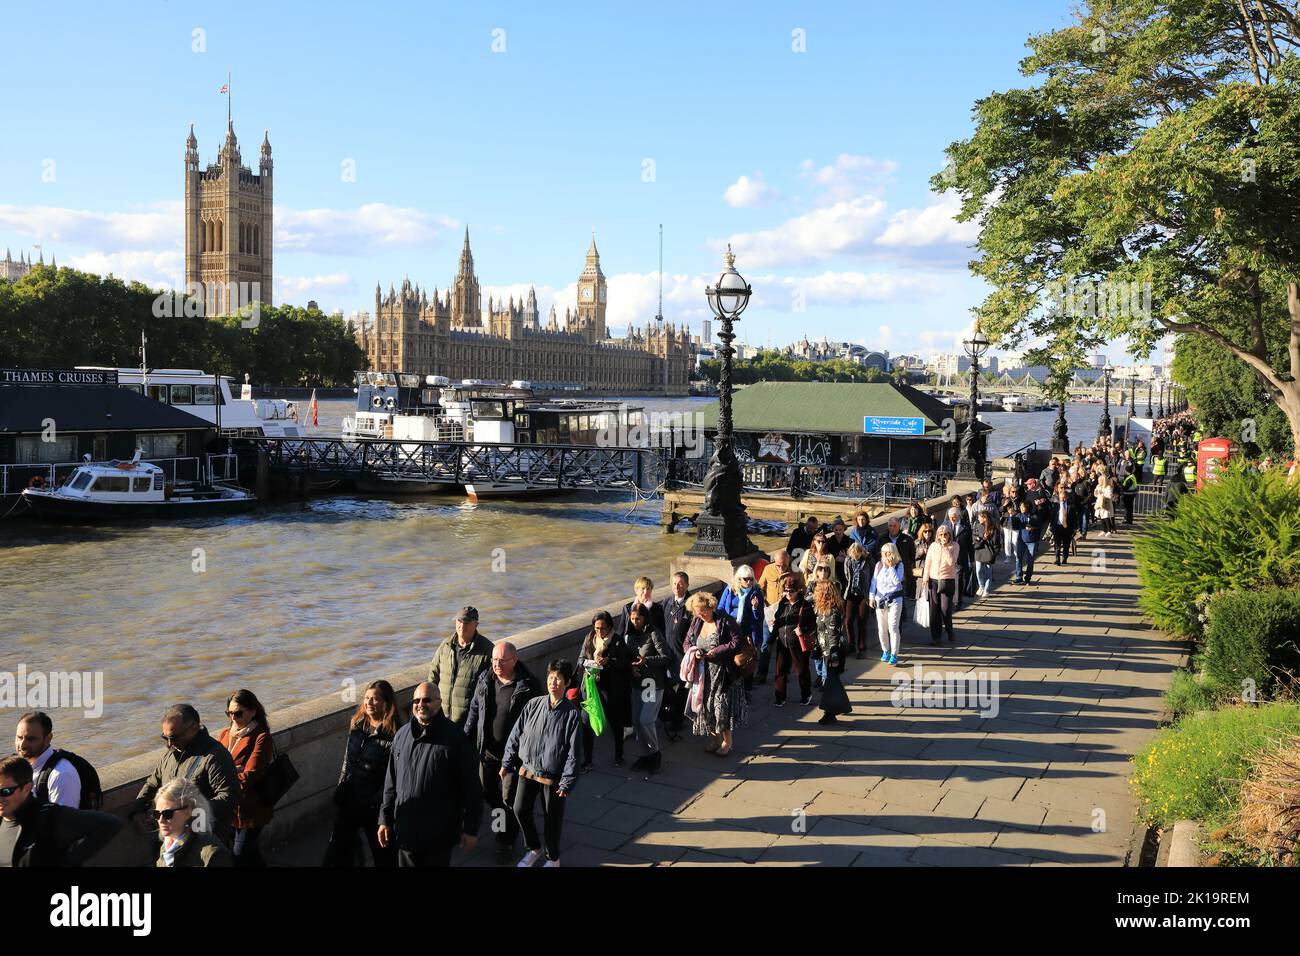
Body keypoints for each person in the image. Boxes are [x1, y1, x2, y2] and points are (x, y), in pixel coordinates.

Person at [378, 682, 483, 867]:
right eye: (416, 700)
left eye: (426, 700)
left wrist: (471, 829)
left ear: (439, 702)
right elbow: (390, 783)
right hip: (405, 830)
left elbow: (472, 788)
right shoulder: (401, 736)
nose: (420, 704)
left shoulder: (455, 738)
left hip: (438, 834)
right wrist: (384, 819)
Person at [462, 642, 541, 864]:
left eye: (502, 660)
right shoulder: (485, 679)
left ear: (514, 660)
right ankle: (504, 829)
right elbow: (475, 710)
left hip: (514, 758)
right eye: (494, 659)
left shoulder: (528, 685)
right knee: (489, 794)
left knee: (508, 799)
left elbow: (538, 721)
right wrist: (465, 737)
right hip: (487, 753)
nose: (496, 664)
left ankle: (505, 841)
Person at [502, 659, 584, 868]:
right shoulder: (533, 704)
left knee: (552, 820)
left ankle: (553, 858)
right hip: (527, 770)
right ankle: (534, 848)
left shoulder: (571, 715)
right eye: (550, 678)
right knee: (519, 809)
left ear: (566, 683)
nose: (553, 683)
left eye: (558, 679)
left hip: (552, 776)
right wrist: (507, 760)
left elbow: (574, 753)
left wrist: (567, 782)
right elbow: (516, 734)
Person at [132, 704, 241, 842]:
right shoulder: (170, 754)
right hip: (172, 838)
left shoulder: (214, 756)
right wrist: (138, 809)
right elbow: (153, 782)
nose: (170, 744)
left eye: (175, 737)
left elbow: (230, 795)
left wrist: (190, 812)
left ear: (194, 728)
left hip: (204, 839)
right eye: (165, 738)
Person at [325, 679, 400, 867]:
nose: (368, 703)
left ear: (386, 703)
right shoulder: (358, 725)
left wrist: (378, 805)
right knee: (336, 852)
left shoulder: (395, 735)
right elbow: (347, 761)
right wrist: (341, 787)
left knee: (383, 856)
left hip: (374, 808)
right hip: (350, 800)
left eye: (375, 699)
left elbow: (393, 777)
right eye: (366, 698)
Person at [0, 755, 121, 867]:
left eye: (5, 792)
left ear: (27, 789)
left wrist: (67, 862)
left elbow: (110, 824)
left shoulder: (49, 817)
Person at [682, 591, 746, 757]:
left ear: (710, 606)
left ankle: (727, 741)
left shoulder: (724, 620)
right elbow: (687, 642)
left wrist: (717, 651)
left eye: (702, 610)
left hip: (722, 672)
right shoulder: (696, 622)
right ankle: (714, 738)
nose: (700, 614)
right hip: (703, 673)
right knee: (706, 706)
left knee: (721, 706)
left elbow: (737, 641)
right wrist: (693, 651)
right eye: (696, 611)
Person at [217, 689, 274, 867]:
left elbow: (251, 774)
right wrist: (234, 770)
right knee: (248, 853)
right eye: (229, 713)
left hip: (250, 808)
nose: (233, 718)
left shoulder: (261, 737)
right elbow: (212, 767)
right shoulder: (225, 734)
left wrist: (226, 773)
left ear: (253, 711)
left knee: (240, 855)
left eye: (238, 713)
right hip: (228, 808)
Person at [576, 610, 633, 768]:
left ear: (609, 627)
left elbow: (624, 664)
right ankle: (588, 760)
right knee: (586, 722)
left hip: (611, 689)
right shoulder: (589, 638)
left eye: (602, 628)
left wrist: (608, 661)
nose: (599, 632)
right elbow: (580, 660)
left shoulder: (617, 641)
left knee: (615, 722)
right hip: (592, 687)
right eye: (596, 628)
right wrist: (588, 663)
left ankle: (619, 755)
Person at [428, 606, 495, 728]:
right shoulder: (446, 645)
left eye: (467, 623)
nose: (462, 626)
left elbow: (490, 687)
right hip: (441, 718)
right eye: (459, 621)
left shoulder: (487, 650)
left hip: (468, 723)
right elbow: (433, 674)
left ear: (476, 624)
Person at [626, 602, 671, 773]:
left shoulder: (653, 633)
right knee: (637, 722)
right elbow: (627, 657)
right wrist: (632, 667)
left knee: (646, 720)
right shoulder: (629, 636)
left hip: (652, 683)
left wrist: (646, 661)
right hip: (637, 683)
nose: (635, 621)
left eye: (638, 618)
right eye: (632, 618)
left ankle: (655, 753)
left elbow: (666, 656)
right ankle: (645, 755)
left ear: (645, 618)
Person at [154, 779, 233, 867]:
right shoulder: (167, 845)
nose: (161, 820)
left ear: (188, 812)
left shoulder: (213, 854)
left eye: (167, 814)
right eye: (157, 814)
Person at [15, 712, 82, 808]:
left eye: (31, 739)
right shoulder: (18, 768)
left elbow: (64, 821)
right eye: (19, 737)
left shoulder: (61, 775)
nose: (22, 745)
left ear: (48, 738)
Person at [718, 565, 766, 693]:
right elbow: (721, 608)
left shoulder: (756, 592)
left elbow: (759, 618)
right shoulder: (730, 590)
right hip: (731, 628)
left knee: (746, 659)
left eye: (751, 579)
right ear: (739, 579)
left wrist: (755, 608)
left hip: (747, 630)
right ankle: (733, 686)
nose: (749, 582)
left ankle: (747, 689)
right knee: (731, 658)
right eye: (746, 579)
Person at [771, 575, 815, 707]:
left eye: (791, 591)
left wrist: (803, 630)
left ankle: (806, 694)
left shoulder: (805, 605)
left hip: (797, 643)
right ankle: (780, 697)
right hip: (782, 642)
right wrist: (771, 639)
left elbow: (813, 624)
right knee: (780, 671)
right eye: (785, 590)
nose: (788, 594)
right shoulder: (782, 603)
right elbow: (778, 621)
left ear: (798, 590)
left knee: (801, 670)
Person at [757, 551, 800, 684]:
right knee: (766, 644)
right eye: (778, 565)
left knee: (785, 644)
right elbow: (760, 587)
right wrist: (762, 600)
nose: (781, 568)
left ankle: (783, 673)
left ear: (789, 561)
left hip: (786, 614)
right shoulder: (768, 569)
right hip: (770, 613)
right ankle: (761, 674)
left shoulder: (796, 572)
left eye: (784, 566)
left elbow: (801, 590)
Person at [659, 571, 692, 741]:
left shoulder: (691, 604)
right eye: (674, 584)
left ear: (687, 585)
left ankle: (678, 720)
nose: (676, 587)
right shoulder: (666, 603)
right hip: (666, 654)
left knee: (681, 690)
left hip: (682, 656)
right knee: (667, 687)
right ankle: (668, 716)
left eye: (680, 584)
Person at [811, 578, 847, 725]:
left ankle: (830, 713)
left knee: (830, 684)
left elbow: (832, 634)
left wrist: (833, 655)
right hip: (826, 650)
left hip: (831, 652)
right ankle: (841, 706)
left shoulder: (831, 611)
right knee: (834, 682)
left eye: (817, 591)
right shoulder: (823, 609)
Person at [922, 524, 960, 644]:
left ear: (949, 535)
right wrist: (925, 577)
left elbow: (951, 562)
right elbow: (928, 562)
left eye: (945, 534)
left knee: (945, 609)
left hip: (947, 580)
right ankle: (936, 636)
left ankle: (949, 630)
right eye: (940, 535)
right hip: (934, 580)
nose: (943, 537)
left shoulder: (955, 546)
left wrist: (944, 547)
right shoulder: (933, 546)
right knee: (934, 609)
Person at [870, 542, 907, 665]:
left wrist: (891, 567)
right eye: (884, 553)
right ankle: (885, 650)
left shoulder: (899, 565)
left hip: (895, 599)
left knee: (893, 627)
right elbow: (874, 582)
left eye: (888, 553)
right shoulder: (879, 565)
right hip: (880, 599)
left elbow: (897, 582)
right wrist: (871, 597)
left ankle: (894, 654)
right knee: (882, 628)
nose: (886, 556)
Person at [879, 517, 917, 623]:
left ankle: (899, 622)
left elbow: (912, 555)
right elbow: (878, 554)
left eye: (894, 526)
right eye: (890, 526)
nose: (892, 528)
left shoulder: (907, 539)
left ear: (899, 526)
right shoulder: (882, 538)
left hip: (902, 572)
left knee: (900, 597)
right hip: (886, 573)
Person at [941, 504, 975, 606]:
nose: (952, 519)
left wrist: (972, 559)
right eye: (951, 517)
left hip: (960, 557)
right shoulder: (945, 524)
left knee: (958, 579)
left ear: (959, 516)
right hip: (947, 557)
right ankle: (949, 598)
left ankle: (957, 601)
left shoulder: (966, 526)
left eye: (954, 517)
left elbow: (970, 544)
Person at [842, 542, 871, 658]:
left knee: (862, 621)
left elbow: (873, 575)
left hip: (864, 594)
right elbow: (846, 575)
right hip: (851, 594)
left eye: (857, 554)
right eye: (853, 554)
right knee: (848, 620)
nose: (855, 556)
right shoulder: (848, 561)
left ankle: (862, 647)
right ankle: (851, 644)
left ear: (861, 552)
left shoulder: (868, 561)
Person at [616, 576, 666, 642]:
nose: (645, 592)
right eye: (642, 588)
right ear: (636, 590)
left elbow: (662, 631)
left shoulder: (657, 608)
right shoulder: (627, 608)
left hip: (650, 646)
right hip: (630, 645)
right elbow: (621, 631)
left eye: (648, 589)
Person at [1010, 498, 1043, 585]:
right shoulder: (1019, 516)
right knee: (1018, 558)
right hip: (1021, 540)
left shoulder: (1034, 516)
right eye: (1020, 506)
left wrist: (1032, 528)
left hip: (1032, 541)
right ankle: (1019, 577)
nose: (1021, 508)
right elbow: (1013, 526)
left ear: (1027, 507)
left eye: (1022, 506)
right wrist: (1011, 516)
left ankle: (1028, 578)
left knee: (1030, 560)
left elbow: (1039, 527)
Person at [1050, 484, 1079, 565]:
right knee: (1057, 544)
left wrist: (1075, 528)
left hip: (1067, 527)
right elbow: (1052, 516)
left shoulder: (1071, 507)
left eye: (1063, 498)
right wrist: (1051, 526)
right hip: (1057, 527)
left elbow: (1074, 518)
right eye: (1060, 497)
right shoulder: (1056, 506)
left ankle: (1065, 558)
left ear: (1066, 498)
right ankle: (1057, 558)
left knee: (1066, 544)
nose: (1062, 499)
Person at [972, 510, 999, 598]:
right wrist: (981, 539)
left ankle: (987, 589)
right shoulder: (977, 526)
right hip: (979, 551)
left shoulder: (993, 528)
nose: (978, 518)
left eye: (980, 517)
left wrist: (995, 552)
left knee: (988, 572)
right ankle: (981, 586)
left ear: (984, 518)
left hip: (988, 552)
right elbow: (974, 538)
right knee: (978, 570)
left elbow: (996, 542)